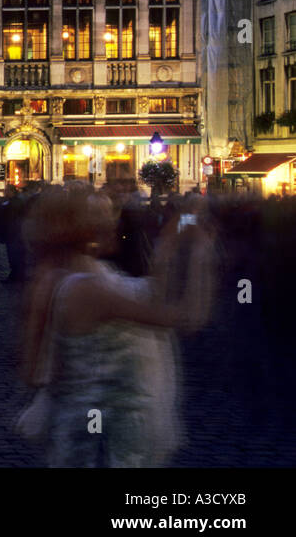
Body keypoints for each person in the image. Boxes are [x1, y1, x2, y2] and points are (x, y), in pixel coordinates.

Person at [18, 185, 217, 467]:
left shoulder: (58, 277)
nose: (115, 224)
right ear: (84, 230)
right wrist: (199, 255)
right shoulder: (87, 288)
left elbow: (33, 372)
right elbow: (182, 318)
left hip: (81, 427)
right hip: (104, 438)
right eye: (106, 219)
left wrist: (167, 251)